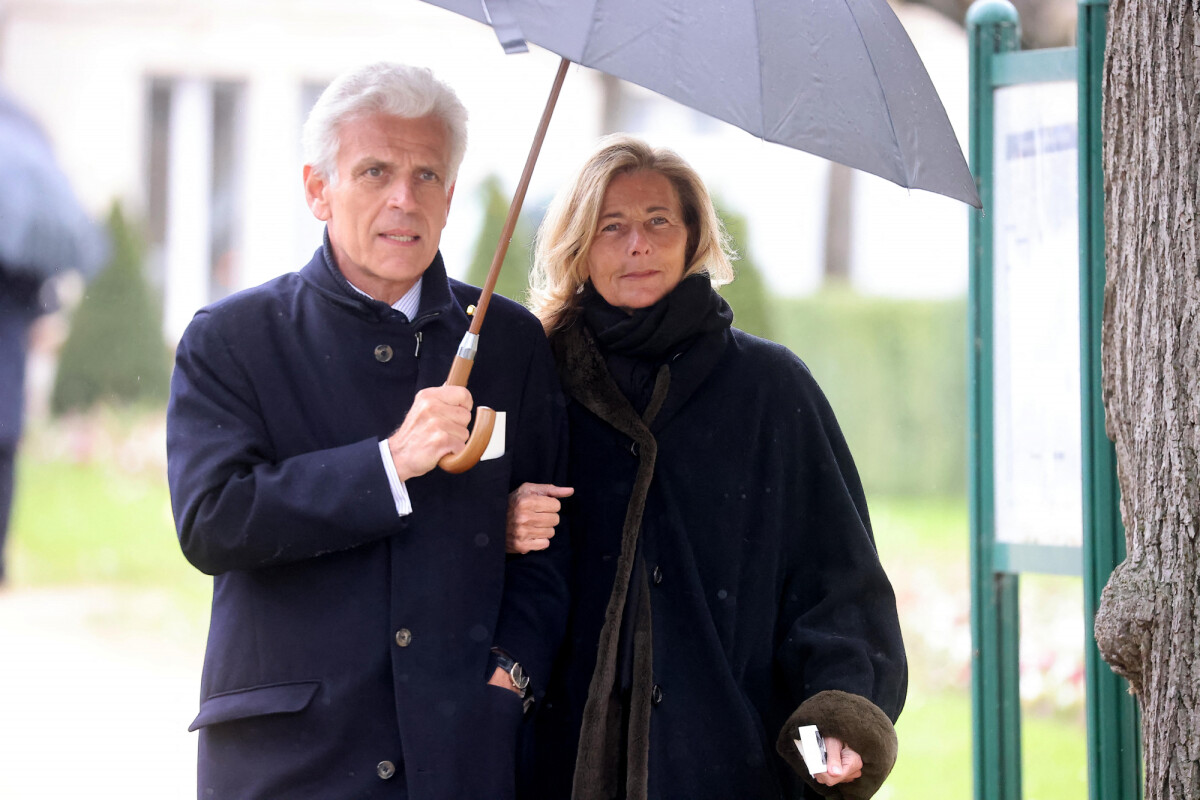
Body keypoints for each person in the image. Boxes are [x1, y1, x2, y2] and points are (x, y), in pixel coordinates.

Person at [166, 62, 569, 799]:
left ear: (451, 196)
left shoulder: (509, 343)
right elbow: (213, 522)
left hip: (459, 756)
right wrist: (389, 463)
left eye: (426, 176)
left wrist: (511, 674)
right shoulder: (232, 339)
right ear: (319, 189)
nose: (402, 200)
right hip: (292, 760)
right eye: (375, 171)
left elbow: (550, 543)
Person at [512, 135, 907, 800]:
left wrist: (832, 727)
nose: (637, 244)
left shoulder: (772, 389)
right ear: (580, 244)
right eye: (612, 226)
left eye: (658, 221)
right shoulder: (534, 382)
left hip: (730, 762)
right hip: (553, 758)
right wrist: (500, 517)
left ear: (693, 236)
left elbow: (838, 584)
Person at [0, 270, 52, 585]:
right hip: (7, 392)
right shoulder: (24, 271)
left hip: (8, 390)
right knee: (4, 481)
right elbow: (43, 329)